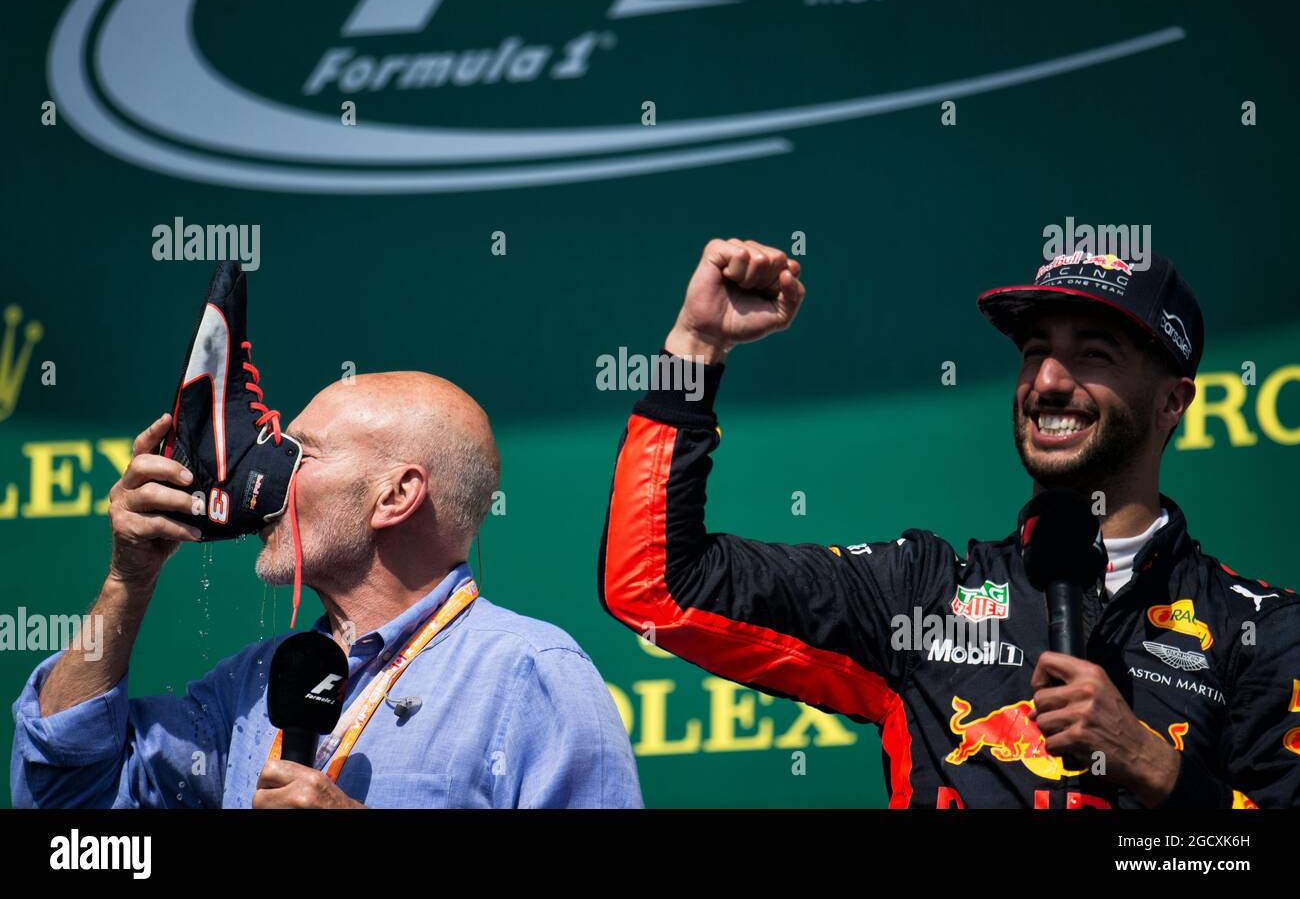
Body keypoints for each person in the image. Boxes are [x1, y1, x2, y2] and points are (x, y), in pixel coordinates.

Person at [598, 238, 1299, 808]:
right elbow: (657, 583)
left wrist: (1155, 767)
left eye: (1092, 352)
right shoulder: (923, 596)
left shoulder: (1261, 634)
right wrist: (695, 347)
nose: (1049, 380)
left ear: (1172, 402)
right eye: (1033, 352)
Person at [13, 372, 642, 808]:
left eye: (300, 455)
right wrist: (129, 577)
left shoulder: (529, 674)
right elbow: (65, 805)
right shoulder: (255, 684)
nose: (265, 477)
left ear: (395, 496)